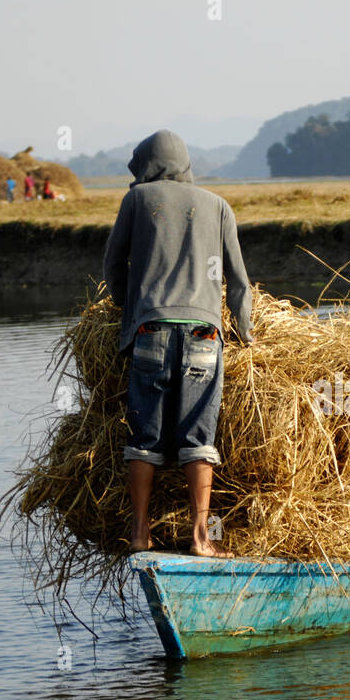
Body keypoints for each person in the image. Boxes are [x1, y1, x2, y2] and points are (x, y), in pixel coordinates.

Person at [103, 129, 255, 557]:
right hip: (204, 334)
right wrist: (245, 333)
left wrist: (128, 313)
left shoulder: (137, 200)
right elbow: (238, 281)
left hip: (150, 332)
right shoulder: (218, 206)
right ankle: (201, 538)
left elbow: (113, 264)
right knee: (198, 438)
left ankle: (139, 534)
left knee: (144, 438)